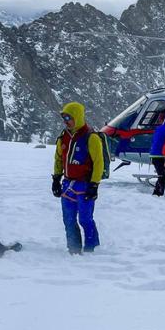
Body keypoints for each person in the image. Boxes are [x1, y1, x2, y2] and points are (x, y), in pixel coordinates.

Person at [51, 102, 104, 254]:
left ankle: (91, 247)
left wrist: (94, 184)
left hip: (85, 185)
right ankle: (73, 248)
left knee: (85, 219)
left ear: (78, 117)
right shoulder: (63, 137)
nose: (66, 121)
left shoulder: (91, 137)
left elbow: (98, 162)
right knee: (68, 219)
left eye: (69, 117)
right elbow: (59, 159)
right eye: (64, 118)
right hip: (68, 184)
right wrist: (56, 179)